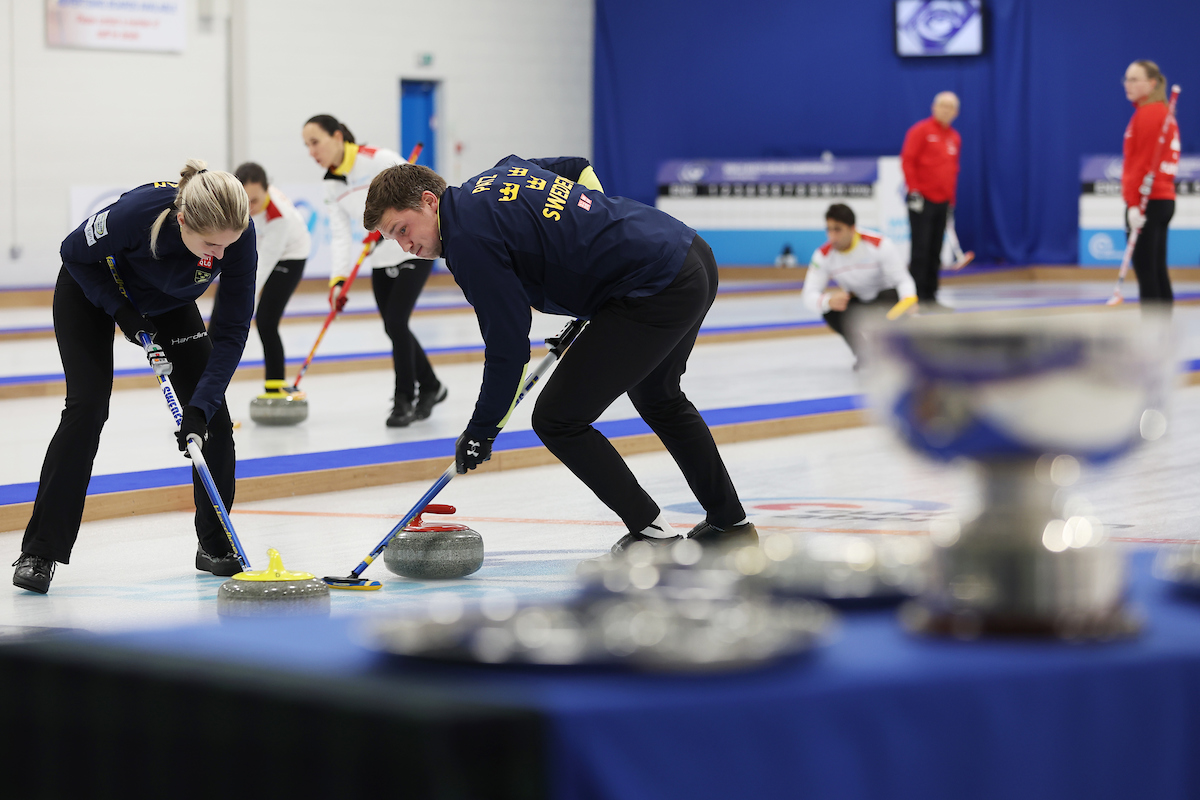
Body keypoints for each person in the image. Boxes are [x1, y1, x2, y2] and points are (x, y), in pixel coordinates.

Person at [362, 156, 756, 554]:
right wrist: (596, 235)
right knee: (659, 396)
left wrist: (482, 430)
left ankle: (653, 537)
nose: (405, 246)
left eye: (402, 230)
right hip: (689, 252)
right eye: (392, 239)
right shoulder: (496, 175)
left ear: (430, 201)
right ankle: (731, 525)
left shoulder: (468, 242)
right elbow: (575, 167)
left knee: (558, 420)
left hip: (655, 286)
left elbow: (508, 349)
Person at [13, 160, 256, 594]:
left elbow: (235, 327)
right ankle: (40, 550)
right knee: (87, 409)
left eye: (228, 246)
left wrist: (199, 408)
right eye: (211, 246)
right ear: (183, 221)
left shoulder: (237, 234)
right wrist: (123, 314)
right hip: (91, 292)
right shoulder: (135, 216)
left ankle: (216, 545)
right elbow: (73, 253)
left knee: (214, 422)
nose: (220, 256)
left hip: (168, 303)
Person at [301, 114, 445, 426]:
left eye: (315, 142)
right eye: (307, 146)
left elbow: (410, 199)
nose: (312, 151)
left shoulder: (379, 159)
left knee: (396, 321)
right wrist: (337, 281)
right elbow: (340, 235)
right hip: (380, 258)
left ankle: (403, 399)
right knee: (394, 327)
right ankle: (432, 385)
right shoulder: (330, 185)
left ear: (337, 137)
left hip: (412, 249)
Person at [228, 162, 312, 398]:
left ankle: (275, 384)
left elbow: (263, 265)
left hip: (290, 256)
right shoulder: (240, 201)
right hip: (263, 246)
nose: (250, 207)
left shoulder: (279, 216)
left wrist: (243, 302)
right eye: (245, 201)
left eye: (255, 201)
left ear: (267, 189)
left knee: (266, 319)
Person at [800, 204, 916, 362]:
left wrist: (908, 300)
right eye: (829, 230)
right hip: (858, 303)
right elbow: (808, 295)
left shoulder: (879, 244)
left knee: (894, 298)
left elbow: (903, 280)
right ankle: (864, 354)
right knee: (829, 309)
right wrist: (827, 301)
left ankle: (900, 351)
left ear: (852, 228)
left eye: (837, 229)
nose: (832, 236)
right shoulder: (823, 255)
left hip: (886, 301)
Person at [1122, 59, 1180, 306]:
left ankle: (1152, 336)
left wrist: (1133, 204)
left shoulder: (1148, 115)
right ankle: (1164, 334)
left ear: (1152, 83)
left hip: (1149, 201)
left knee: (1147, 274)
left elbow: (1139, 165)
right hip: (1164, 200)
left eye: (1134, 79)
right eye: (1126, 79)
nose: (1128, 84)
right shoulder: (1163, 113)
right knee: (1156, 270)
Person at [901, 91, 961, 311]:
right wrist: (914, 190)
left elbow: (953, 170)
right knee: (921, 248)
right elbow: (908, 161)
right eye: (942, 105)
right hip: (921, 199)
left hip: (943, 201)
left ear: (956, 112)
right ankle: (914, 297)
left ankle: (931, 296)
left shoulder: (954, 137)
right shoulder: (920, 131)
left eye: (950, 107)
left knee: (936, 249)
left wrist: (951, 201)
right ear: (933, 107)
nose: (946, 110)